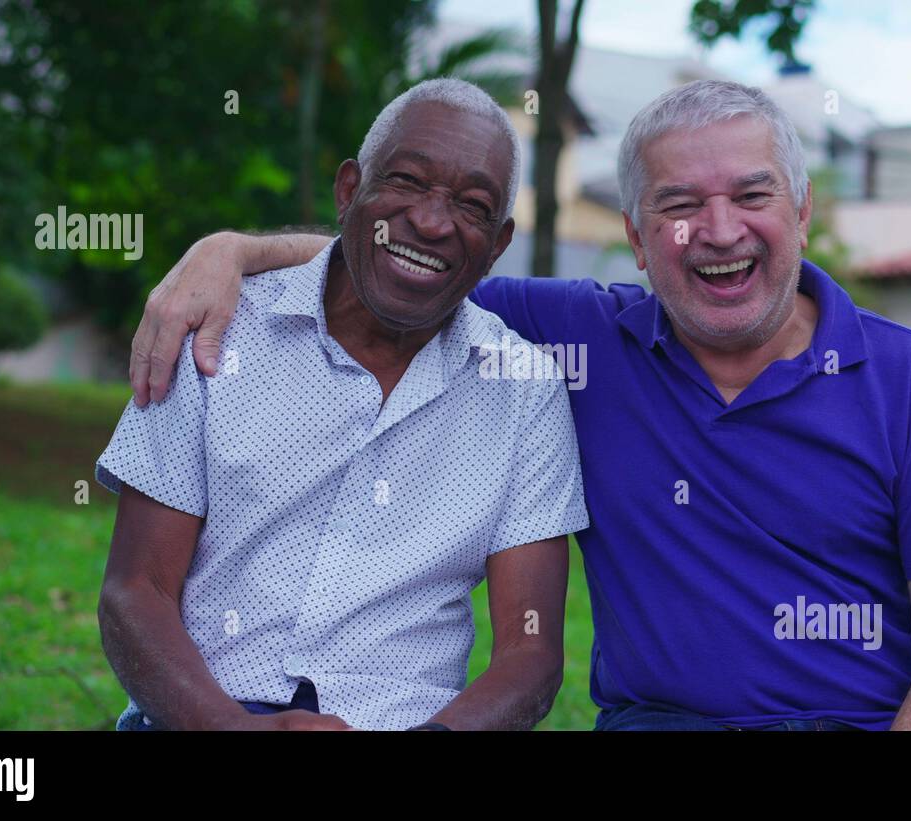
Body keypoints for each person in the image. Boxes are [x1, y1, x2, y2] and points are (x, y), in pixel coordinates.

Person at [129, 80, 911, 730]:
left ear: (801, 209)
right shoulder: (578, 343)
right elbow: (407, 257)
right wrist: (232, 250)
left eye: (751, 195)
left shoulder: (908, 375)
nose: (718, 230)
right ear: (635, 237)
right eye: (678, 205)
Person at [96, 79, 589, 731]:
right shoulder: (217, 330)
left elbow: (530, 655)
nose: (432, 222)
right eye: (407, 181)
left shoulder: (524, 388)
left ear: (497, 244)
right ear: (349, 190)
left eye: (472, 206)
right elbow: (136, 591)